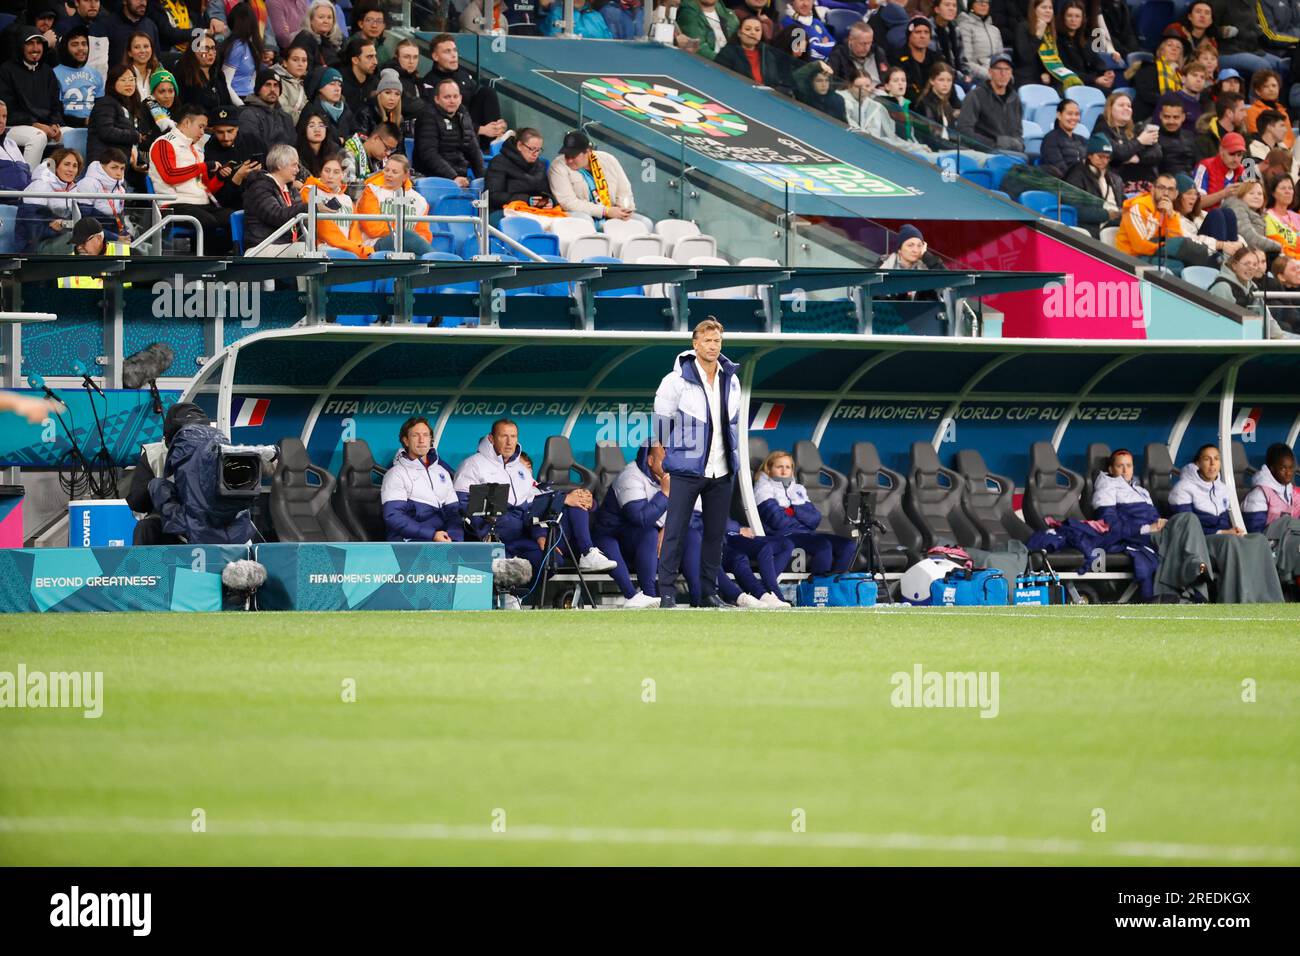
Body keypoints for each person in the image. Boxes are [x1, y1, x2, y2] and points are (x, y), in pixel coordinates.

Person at [453, 418, 616, 576]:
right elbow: (462, 505)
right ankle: (508, 595)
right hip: (490, 537)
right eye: (504, 436)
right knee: (506, 567)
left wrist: (540, 536)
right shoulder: (473, 465)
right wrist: (484, 531)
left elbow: (533, 505)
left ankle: (517, 596)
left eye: (513, 436)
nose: (509, 442)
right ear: (491, 438)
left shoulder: (520, 470)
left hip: (521, 535)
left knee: (552, 561)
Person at [653, 318, 740, 609]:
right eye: (707, 340)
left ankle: (708, 592)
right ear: (695, 343)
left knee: (715, 535)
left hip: (722, 468)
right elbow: (661, 424)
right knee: (675, 531)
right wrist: (672, 457)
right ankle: (665, 591)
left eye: (717, 341)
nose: (713, 346)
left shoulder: (731, 377)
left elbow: (732, 422)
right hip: (687, 469)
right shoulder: (675, 380)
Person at [589, 443, 669, 609]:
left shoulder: (670, 477)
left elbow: (688, 512)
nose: (669, 464)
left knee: (658, 534)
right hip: (608, 534)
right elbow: (639, 518)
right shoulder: (630, 476)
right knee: (648, 531)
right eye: (664, 460)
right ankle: (633, 596)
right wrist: (665, 494)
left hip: (632, 539)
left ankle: (649, 595)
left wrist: (666, 528)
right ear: (650, 460)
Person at [147, 101, 233, 253]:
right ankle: (207, 267)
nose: (202, 132)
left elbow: (204, 187)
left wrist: (219, 177)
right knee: (208, 222)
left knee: (233, 218)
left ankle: (225, 264)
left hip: (201, 203)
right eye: (200, 127)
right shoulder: (164, 143)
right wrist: (203, 167)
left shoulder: (197, 149)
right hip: (173, 204)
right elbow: (170, 175)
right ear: (187, 122)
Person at [753, 450, 856, 576]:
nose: (784, 471)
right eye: (779, 467)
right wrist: (802, 519)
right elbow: (778, 521)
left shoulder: (797, 489)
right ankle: (818, 589)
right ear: (769, 469)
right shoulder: (763, 489)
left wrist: (792, 509)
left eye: (788, 467)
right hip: (783, 536)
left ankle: (835, 585)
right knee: (823, 546)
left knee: (848, 545)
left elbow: (815, 519)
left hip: (806, 534)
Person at [1090, 448, 1162, 600]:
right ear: (1110, 469)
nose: (1125, 470)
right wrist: (1147, 528)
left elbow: (1155, 518)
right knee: (1183, 531)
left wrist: (1162, 524)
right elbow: (1109, 523)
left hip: (1155, 534)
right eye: (1120, 466)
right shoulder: (1106, 488)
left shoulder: (1142, 491)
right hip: (1136, 537)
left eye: (1129, 466)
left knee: (1184, 524)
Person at [380, 416, 465, 543]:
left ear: (431, 440)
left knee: (484, 559)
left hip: (442, 543)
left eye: (426, 435)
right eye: (415, 435)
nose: (421, 440)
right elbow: (393, 516)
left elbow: (453, 514)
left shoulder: (442, 472)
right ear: (406, 441)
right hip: (409, 545)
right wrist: (432, 535)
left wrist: (454, 540)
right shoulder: (396, 474)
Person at [1117, 173, 1215, 275]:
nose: (1166, 193)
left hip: (1153, 252)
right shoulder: (1138, 207)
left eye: (1170, 189)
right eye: (1161, 188)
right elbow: (1139, 246)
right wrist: (1168, 246)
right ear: (1153, 189)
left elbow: (1176, 237)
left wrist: (1171, 216)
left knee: (1182, 262)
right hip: (1130, 257)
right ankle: (1210, 261)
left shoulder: (1169, 211)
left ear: (1176, 194)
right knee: (1180, 259)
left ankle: (1210, 263)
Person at [420, 33, 505, 150]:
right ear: (435, 56)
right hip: (451, 135)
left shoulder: (463, 75)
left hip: (473, 129)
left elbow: (479, 101)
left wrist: (496, 126)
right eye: (447, 51)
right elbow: (441, 118)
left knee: (487, 92)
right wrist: (481, 129)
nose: (453, 55)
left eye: (454, 50)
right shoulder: (430, 83)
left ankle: (496, 139)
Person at [0, 26, 69, 170]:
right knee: (37, 137)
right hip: (12, 126)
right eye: (30, 43)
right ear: (21, 46)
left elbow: (56, 105)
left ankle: (67, 186)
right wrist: (36, 125)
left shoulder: (47, 71)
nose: (35, 48)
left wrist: (55, 124)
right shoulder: (6, 70)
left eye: (39, 43)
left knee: (73, 134)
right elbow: (8, 109)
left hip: (45, 126)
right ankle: (28, 186)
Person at [548, 129, 647, 227]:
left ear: (588, 152)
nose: (569, 160)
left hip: (613, 211)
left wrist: (625, 208)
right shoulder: (557, 166)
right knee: (586, 221)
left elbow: (624, 190)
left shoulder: (608, 159)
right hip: (582, 215)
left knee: (645, 223)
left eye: (573, 156)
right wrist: (605, 211)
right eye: (566, 155)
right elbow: (568, 203)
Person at [354, 153, 433, 254]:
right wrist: (403, 233)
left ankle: (440, 263)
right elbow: (373, 229)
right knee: (406, 236)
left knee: (409, 240)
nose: (389, 174)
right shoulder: (372, 191)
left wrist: (411, 238)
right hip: (374, 245)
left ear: (406, 175)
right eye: (386, 170)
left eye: (394, 172)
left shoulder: (420, 201)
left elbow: (424, 234)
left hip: (409, 247)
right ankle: (440, 264)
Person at [242, 142, 308, 257]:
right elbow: (277, 216)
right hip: (262, 247)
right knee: (306, 249)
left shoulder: (290, 189)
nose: (297, 170)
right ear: (279, 165)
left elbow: (300, 218)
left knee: (316, 246)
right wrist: (309, 207)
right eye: (294, 165)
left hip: (284, 245)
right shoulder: (259, 187)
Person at [414, 76, 483, 184]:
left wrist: (482, 178)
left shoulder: (463, 114)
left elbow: (474, 150)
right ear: (436, 99)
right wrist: (453, 177)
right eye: (447, 97)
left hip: (460, 176)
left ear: (460, 98)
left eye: (455, 96)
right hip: (433, 178)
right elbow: (428, 153)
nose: (452, 101)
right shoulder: (427, 116)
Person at [86, 62, 146, 182]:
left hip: (120, 166)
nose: (128, 83)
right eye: (123, 80)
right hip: (103, 165)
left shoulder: (130, 107)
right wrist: (135, 136)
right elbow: (106, 131)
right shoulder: (105, 103)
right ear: (113, 83)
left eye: (131, 79)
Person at [955, 53, 1024, 154]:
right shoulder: (975, 95)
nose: (1003, 73)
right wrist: (994, 143)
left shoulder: (1015, 98)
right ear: (990, 72)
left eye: (1007, 69)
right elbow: (964, 130)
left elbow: (1018, 132)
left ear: (1011, 73)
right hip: (984, 151)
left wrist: (1019, 144)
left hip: (1010, 152)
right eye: (998, 69)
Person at [301, 153, 367, 257]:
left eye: (336, 172)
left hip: (349, 250)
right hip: (322, 249)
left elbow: (355, 232)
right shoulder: (310, 191)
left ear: (343, 175)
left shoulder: (347, 199)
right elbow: (324, 230)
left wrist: (358, 249)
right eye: (327, 171)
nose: (330, 176)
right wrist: (354, 250)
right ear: (320, 172)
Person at [20, 147, 83, 252]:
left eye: (75, 166)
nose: (71, 169)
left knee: (92, 237)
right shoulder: (39, 186)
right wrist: (53, 229)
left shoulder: (73, 190)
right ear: (56, 166)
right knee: (75, 239)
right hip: (36, 246)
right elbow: (31, 228)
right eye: (66, 164)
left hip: (60, 239)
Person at [1095, 91, 1161, 189]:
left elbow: (1157, 153)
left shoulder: (1135, 129)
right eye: (1121, 105)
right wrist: (1140, 142)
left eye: (1129, 106)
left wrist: (1137, 158)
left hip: (1144, 182)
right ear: (1110, 108)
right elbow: (1117, 153)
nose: (1126, 108)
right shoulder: (1102, 127)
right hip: (1118, 183)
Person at [1063, 134, 1124, 236]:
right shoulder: (1077, 175)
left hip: (1115, 222)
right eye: (1100, 156)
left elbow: (1122, 200)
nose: (1104, 161)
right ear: (1090, 156)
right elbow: (1075, 209)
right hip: (1093, 227)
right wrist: (1106, 215)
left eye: (1107, 158)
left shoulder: (1113, 178)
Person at [205, 105, 262, 210]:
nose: (226, 138)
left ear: (238, 128)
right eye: (220, 132)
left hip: (260, 198)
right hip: (231, 207)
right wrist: (238, 176)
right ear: (213, 130)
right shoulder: (210, 149)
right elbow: (219, 199)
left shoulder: (253, 140)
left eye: (230, 131)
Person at [485, 127, 554, 213]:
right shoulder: (499, 162)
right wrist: (526, 200)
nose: (535, 154)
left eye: (538, 150)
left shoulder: (540, 165)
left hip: (533, 211)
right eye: (532, 149)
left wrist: (549, 201)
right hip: (504, 210)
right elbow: (493, 196)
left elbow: (546, 192)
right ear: (520, 145)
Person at [1054, 0, 1113, 91]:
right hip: (1071, 84)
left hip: (1088, 82)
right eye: (1069, 16)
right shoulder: (1057, 40)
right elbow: (1066, 69)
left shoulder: (1083, 39)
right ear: (1063, 17)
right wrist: (1094, 79)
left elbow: (1096, 60)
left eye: (1077, 16)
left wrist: (1106, 71)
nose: (1073, 20)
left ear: (1082, 19)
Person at [1131, 28, 1186, 122]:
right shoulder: (1148, 68)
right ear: (1161, 50)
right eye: (1169, 45)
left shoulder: (1181, 77)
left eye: (1178, 47)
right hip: (1148, 117)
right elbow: (1147, 95)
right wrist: (1170, 103)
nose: (1174, 49)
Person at [1243, 443, 1300, 534]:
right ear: (1272, 468)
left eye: (1290, 468)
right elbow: (1255, 533)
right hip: (1266, 545)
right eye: (1283, 468)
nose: (1288, 473)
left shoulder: (1292, 493)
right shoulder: (1259, 495)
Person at [175, 30, 233, 118]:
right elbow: (185, 109)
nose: (210, 53)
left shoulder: (218, 74)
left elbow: (227, 103)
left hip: (221, 124)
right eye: (205, 48)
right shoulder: (185, 75)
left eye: (213, 48)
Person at [73, 145, 129, 236]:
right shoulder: (88, 184)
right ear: (101, 167)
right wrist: (115, 238)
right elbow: (85, 222)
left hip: (114, 235)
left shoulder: (121, 189)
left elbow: (120, 221)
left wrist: (125, 235)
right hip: (92, 238)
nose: (119, 173)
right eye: (114, 167)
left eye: (122, 168)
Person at [54, 24, 102, 130]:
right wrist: (83, 121)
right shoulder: (54, 74)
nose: (81, 48)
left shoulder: (96, 74)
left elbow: (101, 107)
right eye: (75, 44)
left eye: (84, 44)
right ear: (65, 47)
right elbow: (55, 113)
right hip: (65, 129)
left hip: (94, 129)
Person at [1222, 180, 1283, 260]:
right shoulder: (1237, 207)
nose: (1256, 196)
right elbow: (1250, 238)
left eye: (1260, 194)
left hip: (1256, 256)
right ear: (1241, 195)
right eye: (1251, 193)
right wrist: (1280, 246)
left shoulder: (1261, 215)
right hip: (1239, 257)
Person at [238, 67, 294, 148]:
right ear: (258, 89)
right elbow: (252, 148)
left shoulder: (286, 117)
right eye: (267, 85)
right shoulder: (248, 115)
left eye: (276, 85)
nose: (272, 89)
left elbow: (293, 146)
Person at [895, 16, 946, 102]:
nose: (923, 36)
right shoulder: (897, 57)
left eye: (926, 32)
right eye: (918, 32)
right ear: (909, 35)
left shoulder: (937, 58)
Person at [1193, 130, 1247, 211]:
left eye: (1239, 155)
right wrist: (1224, 193)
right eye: (1231, 154)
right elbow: (1196, 202)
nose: (1236, 159)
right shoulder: (1205, 166)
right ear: (1221, 150)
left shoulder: (1242, 171)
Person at [56, 0, 112, 77]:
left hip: (100, 86)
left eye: (96, 0)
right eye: (87, 0)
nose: (93, 5)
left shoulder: (107, 27)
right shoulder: (64, 27)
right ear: (76, 2)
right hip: (71, 84)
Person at [221, 1, 263, 100]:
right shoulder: (237, 47)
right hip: (237, 99)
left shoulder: (251, 45)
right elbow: (225, 83)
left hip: (250, 98)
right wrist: (241, 106)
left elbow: (252, 79)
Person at [341, 119, 397, 190]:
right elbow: (349, 190)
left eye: (391, 150)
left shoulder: (380, 161)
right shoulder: (348, 153)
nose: (388, 153)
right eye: (387, 148)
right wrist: (376, 178)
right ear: (375, 138)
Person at [828, 20, 887, 87]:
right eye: (863, 43)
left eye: (869, 43)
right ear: (851, 40)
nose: (867, 47)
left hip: (881, 94)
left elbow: (887, 76)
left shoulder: (878, 52)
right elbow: (832, 81)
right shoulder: (838, 54)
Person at [957, 0, 1003, 84]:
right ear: (971, 5)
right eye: (980, 2)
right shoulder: (965, 27)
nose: (984, 5)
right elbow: (966, 63)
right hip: (976, 78)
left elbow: (1001, 58)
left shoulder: (995, 30)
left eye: (986, 2)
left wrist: (1003, 72)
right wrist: (990, 75)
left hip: (996, 76)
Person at [356, 68, 409, 140]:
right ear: (379, 94)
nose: (392, 98)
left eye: (397, 94)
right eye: (387, 92)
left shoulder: (399, 118)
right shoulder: (365, 113)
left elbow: (400, 146)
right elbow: (361, 143)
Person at [1011, 0, 1054, 88]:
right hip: (1024, 78)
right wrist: (1038, 37)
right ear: (1034, 10)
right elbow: (1025, 57)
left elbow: (1051, 59)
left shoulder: (1050, 31)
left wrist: (1045, 72)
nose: (1048, 10)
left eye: (1050, 8)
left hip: (1043, 78)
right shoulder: (1022, 27)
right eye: (1044, 7)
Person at [106, 0, 160, 69]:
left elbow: (156, 58)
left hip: (147, 77)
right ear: (124, 1)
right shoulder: (108, 25)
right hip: (118, 77)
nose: (143, 2)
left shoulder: (150, 25)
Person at [1041, 98, 1088, 174]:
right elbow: (1058, 169)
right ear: (1059, 115)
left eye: (1077, 114)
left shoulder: (1082, 140)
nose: (1074, 118)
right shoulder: (1050, 139)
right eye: (1069, 114)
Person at [310, 67, 355, 145]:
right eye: (332, 84)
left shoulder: (345, 108)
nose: (337, 89)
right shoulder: (311, 111)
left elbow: (357, 133)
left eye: (340, 85)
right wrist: (340, 141)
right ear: (320, 87)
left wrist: (345, 140)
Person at [1156, 96, 1199, 177]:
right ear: (1160, 116)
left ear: (1183, 117)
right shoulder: (1153, 138)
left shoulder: (1190, 136)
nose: (1171, 121)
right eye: (1167, 117)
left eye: (1176, 117)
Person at [291, 0, 343, 68]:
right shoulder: (304, 38)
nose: (326, 21)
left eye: (329, 17)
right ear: (311, 20)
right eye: (321, 17)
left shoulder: (338, 37)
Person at [1195, 92, 1246, 160]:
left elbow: (1248, 163)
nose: (1245, 114)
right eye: (1241, 110)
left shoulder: (1243, 135)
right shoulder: (1204, 138)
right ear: (1229, 113)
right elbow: (1202, 166)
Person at [294, 104, 336, 178]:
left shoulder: (333, 151)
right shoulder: (296, 156)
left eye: (321, 125)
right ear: (304, 130)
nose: (317, 130)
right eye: (311, 126)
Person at [273, 41, 311, 124]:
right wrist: (309, 121)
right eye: (295, 60)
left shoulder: (304, 83)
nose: (300, 64)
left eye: (304, 60)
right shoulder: (276, 82)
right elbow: (284, 113)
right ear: (285, 63)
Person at [338, 34, 377, 115]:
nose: (375, 62)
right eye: (369, 57)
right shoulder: (339, 83)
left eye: (375, 56)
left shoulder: (375, 83)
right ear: (355, 60)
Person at [1264, 173, 1300, 257]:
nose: (1288, 191)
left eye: (1290, 188)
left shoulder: (1297, 216)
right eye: (1283, 188)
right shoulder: (1267, 216)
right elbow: (1279, 247)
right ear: (1273, 193)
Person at [0, 101, 29, 197]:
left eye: (4, 116)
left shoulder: (11, 144)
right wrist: (18, 196)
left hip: (26, 198)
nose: (1, 121)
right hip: (8, 200)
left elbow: (27, 174)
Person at [141, 67, 177, 140]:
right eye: (161, 91)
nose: (167, 96)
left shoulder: (177, 106)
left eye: (170, 91)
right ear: (153, 94)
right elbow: (144, 139)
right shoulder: (145, 106)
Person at [120, 29, 159, 97]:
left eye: (146, 46)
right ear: (130, 53)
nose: (142, 51)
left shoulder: (159, 72)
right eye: (137, 47)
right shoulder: (121, 75)